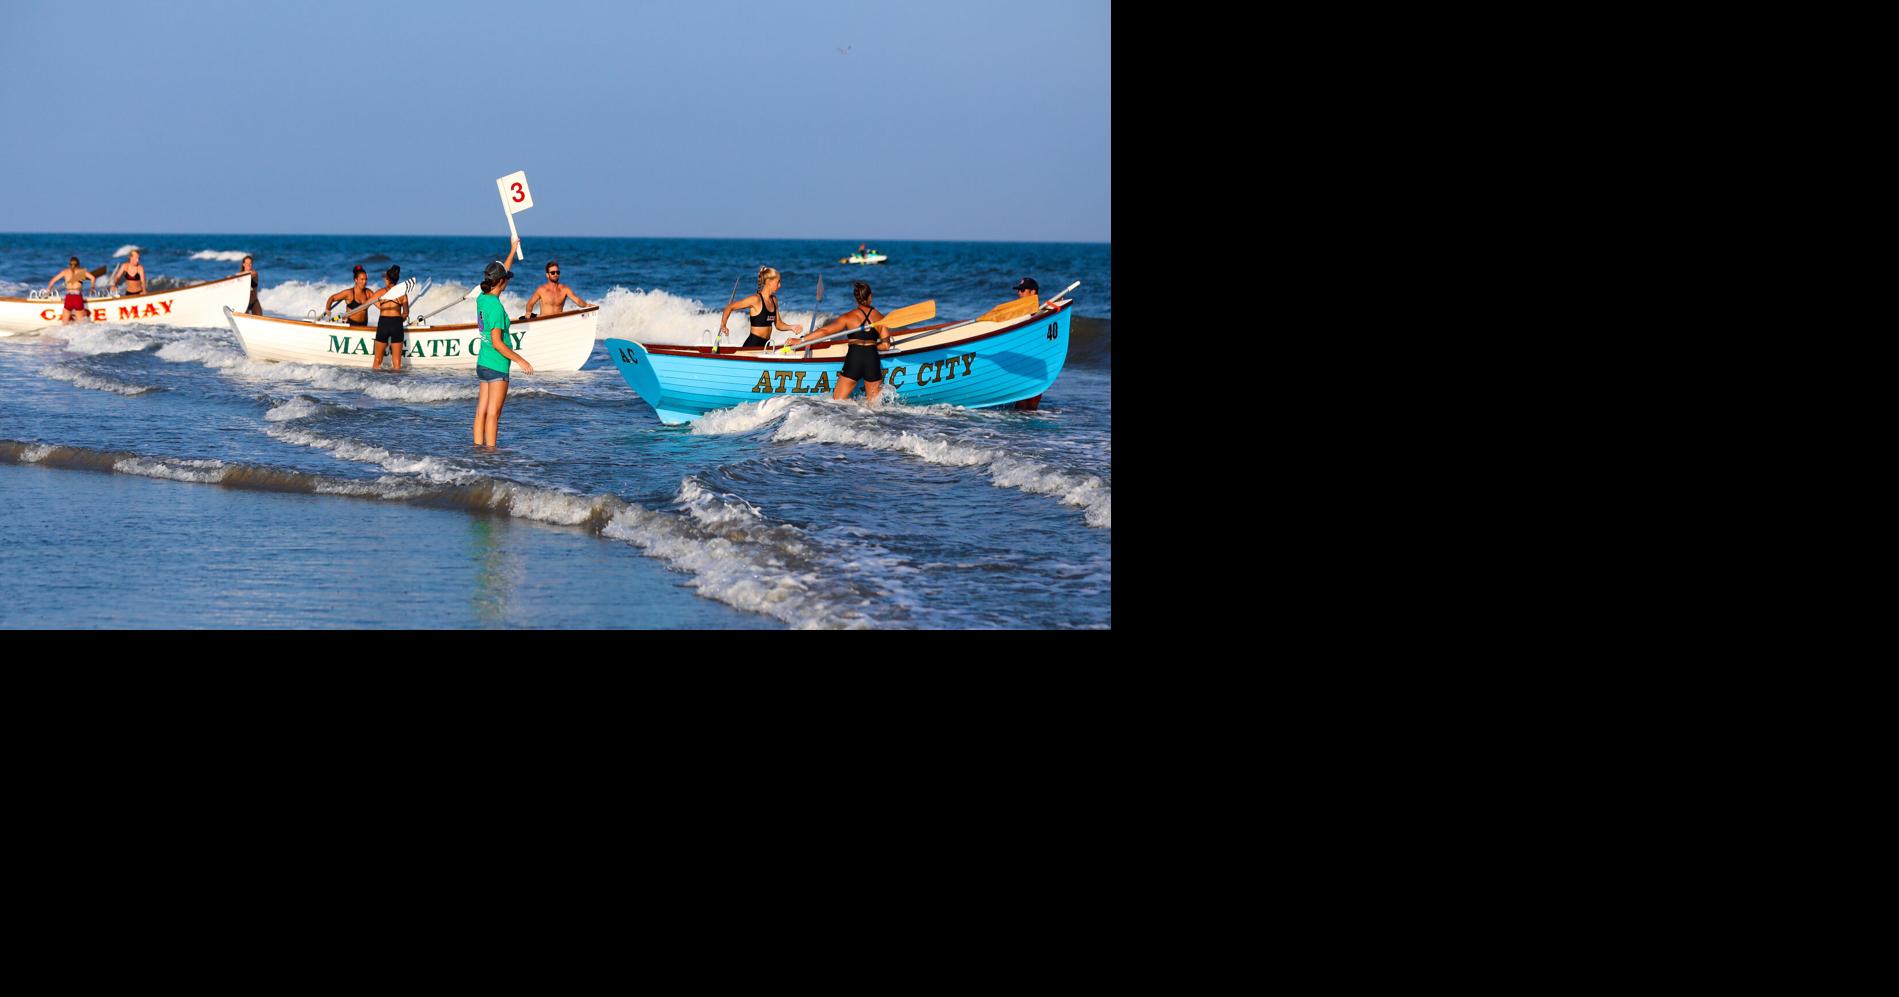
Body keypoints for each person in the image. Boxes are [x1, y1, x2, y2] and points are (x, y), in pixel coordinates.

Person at [786, 280, 888, 403]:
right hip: (872, 357)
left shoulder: (848, 317)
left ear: (856, 298)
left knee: (837, 402)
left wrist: (800, 340)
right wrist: (872, 346)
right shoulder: (881, 318)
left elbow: (826, 331)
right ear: (870, 296)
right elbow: (886, 345)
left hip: (855, 357)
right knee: (874, 406)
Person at [473, 241, 533, 449]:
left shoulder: (482, 298)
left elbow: (501, 272)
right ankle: (490, 455)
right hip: (497, 364)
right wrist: (520, 360)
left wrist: (512, 251)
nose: (508, 281)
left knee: (482, 410)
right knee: (493, 413)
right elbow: (498, 343)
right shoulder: (497, 308)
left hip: (483, 362)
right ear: (501, 282)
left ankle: (478, 450)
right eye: (506, 279)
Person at [718, 266, 798, 348]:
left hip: (766, 344)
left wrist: (791, 327)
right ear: (769, 282)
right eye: (778, 282)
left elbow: (778, 324)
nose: (780, 285)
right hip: (753, 344)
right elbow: (730, 307)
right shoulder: (755, 300)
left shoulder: (774, 300)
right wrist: (723, 324)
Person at [370, 265, 410, 371]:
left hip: (383, 323)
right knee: (397, 364)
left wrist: (382, 307)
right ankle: (395, 386)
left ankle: (374, 385)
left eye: (385, 278)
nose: (384, 279)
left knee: (377, 361)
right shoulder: (402, 294)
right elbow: (406, 313)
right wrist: (399, 320)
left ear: (388, 279)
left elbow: (369, 302)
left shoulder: (380, 292)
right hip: (397, 323)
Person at [521, 260, 589, 319]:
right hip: (544, 321)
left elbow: (577, 300)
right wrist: (528, 312)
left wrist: (587, 305)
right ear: (547, 275)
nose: (555, 274)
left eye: (557, 272)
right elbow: (530, 304)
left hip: (558, 321)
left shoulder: (565, 289)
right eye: (553, 273)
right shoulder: (541, 290)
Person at [324, 265, 379, 329]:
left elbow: (379, 304)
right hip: (351, 325)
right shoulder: (349, 293)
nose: (364, 282)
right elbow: (332, 298)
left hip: (364, 325)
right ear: (356, 280)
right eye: (362, 279)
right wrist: (327, 309)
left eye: (366, 279)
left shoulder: (368, 292)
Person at [45, 257, 93, 324]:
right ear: (78, 264)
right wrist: (92, 288)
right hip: (77, 297)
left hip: (69, 297)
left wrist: (48, 291)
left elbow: (53, 280)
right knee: (81, 324)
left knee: (64, 324)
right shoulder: (82, 272)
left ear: (69, 264)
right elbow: (92, 278)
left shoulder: (65, 271)